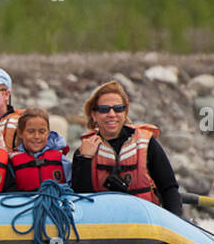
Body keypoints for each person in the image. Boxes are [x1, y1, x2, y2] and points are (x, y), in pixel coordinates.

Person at [71, 80, 183, 216]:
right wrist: (85, 159)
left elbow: (169, 188)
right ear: (94, 115)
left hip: (145, 221)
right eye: (104, 109)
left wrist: (174, 221)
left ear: (125, 113)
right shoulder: (84, 151)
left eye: (118, 108)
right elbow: (80, 197)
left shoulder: (146, 143)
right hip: (103, 223)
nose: (112, 114)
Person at [8, 108, 70, 190]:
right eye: (31, 131)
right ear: (20, 133)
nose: (36, 136)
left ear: (48, 133)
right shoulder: (11, 161)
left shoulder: (62, 160)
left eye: (42, 131)